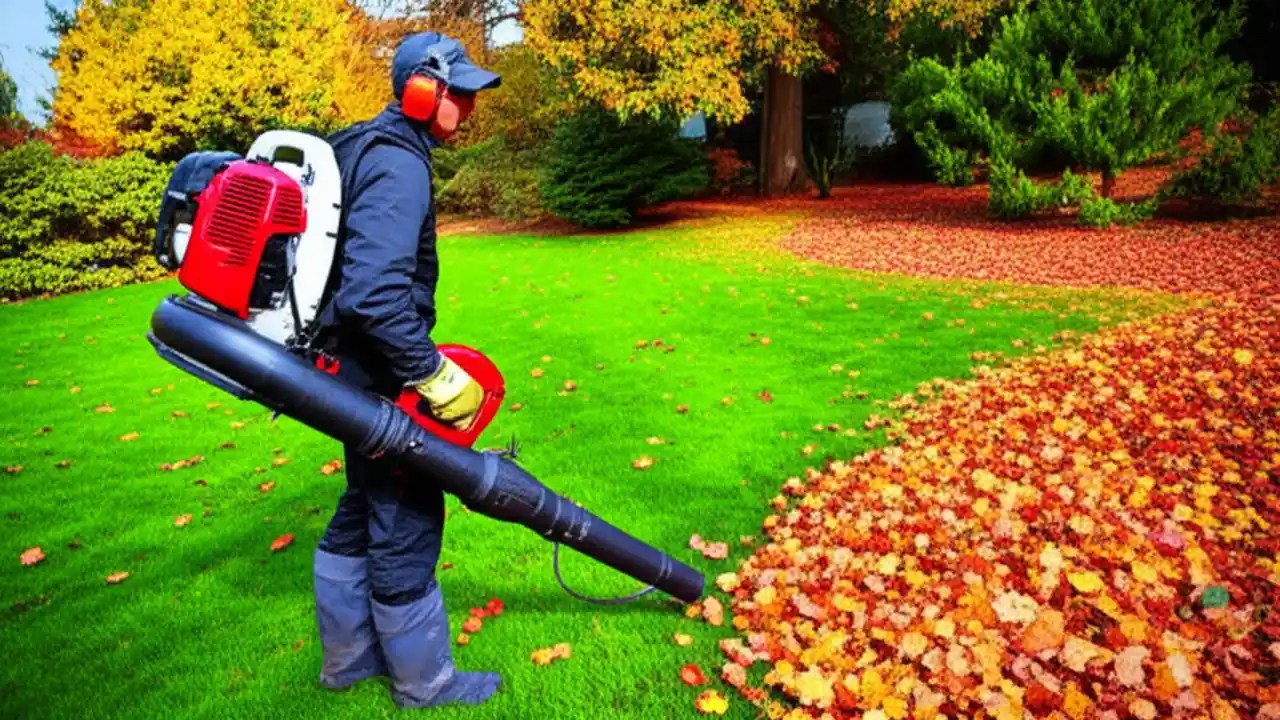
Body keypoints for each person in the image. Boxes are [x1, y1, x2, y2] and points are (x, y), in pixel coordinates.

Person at [309, 31, 502, 709]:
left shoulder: (361, 143)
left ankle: (347, 662)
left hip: (344, 370)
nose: (470, 107)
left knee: (363, 503)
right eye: (462, 94)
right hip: (378, 371)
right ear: (424, 90)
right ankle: (425, 683)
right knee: (407, 511)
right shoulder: (398, 164)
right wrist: (430, 373)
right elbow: (373, 293)